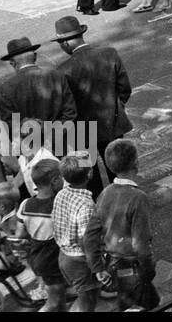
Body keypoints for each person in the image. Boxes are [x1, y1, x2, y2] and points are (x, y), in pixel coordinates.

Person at [52, 15, 132, 195]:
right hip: (113, 122)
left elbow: (67, 107)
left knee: (90, 178)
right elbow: (124, 88)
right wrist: (116, 108)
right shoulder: (109, 54)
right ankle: (123, 202)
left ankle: (97, 210)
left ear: (64, 43)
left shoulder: (64, 70)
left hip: (82, 131)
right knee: (119, 171)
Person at [83, 140, 158, 311]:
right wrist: (149, 268)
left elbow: (89, 237)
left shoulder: (105, 192)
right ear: (136, 163)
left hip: (113, 265)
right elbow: (141, 245)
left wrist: (98, 268)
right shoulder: (138, 198)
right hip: (134, 268)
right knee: (143, 304)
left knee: (136, 302)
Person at [15, 157, 65, 311]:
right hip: (53, 261)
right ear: (55, 181)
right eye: (62, 177)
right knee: (53, 302)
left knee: (59, 300)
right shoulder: (59, 206)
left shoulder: (25, 204)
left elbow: (20, 235)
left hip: (36, 257)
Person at [52, 154, 98, 312]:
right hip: (79, 261)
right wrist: (97, 265)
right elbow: (86, 240)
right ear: (90, 174)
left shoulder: (61, 194)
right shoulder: (86, 205)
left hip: (64, 255)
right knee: (87, 302)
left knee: (85, 295)